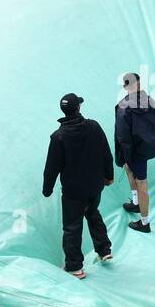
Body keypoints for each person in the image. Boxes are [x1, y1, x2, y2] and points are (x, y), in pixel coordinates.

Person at [42, 93, 114, 279]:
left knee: (72, 226)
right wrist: (109, 176)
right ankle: (104, 249)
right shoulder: (94, 127)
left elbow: (52, 167)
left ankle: (75, 267)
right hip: (95, 185)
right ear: (79, 108)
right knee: (92, 212)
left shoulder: (59, 137)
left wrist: (47, 189)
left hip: (74, 191)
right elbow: (106, 153)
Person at [114, 73, 155, 234]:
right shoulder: (150, 101)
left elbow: (122, 135)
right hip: (148, 148)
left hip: (134, 152)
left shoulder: (123, 107)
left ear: (125, 86)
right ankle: (136, 203)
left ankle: (145, 222)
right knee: (129, 170)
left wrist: (126, 156)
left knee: (142, 184)